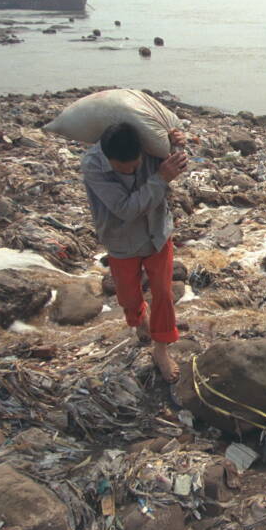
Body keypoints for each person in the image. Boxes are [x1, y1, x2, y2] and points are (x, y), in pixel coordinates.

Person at [81, 122, 188, 382]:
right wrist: (160, 178)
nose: (130, 171)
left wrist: (176, 146)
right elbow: (126, 209)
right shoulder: (93, 165)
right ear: (108, 157)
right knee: (129, 297)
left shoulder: (152, 150)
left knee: (163, 292)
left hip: (157, 235)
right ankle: (141, 319)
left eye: (134, 165)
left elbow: (181, 166)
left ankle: (161, 349)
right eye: (122, 168)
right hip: (121, 240)